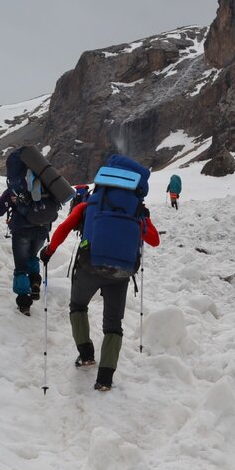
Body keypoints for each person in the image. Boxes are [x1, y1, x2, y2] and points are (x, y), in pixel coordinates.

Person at [39, 155, 160, 391]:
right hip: (121, 271)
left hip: (89, 267)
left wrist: (49, 251)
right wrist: (142, 218)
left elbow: (64, 228)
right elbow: (154, 240)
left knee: (78, 306)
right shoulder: (136, 210)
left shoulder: (90, 204)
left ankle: (86, 355)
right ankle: (105, 378)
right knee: (113, 324)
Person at [0, 148, 64, 314]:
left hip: (21, 230)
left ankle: (24, 302)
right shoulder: (46, 183)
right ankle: (35, 282)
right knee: (32, 257)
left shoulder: (15, 188)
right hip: (42, 229)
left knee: (21, 266)